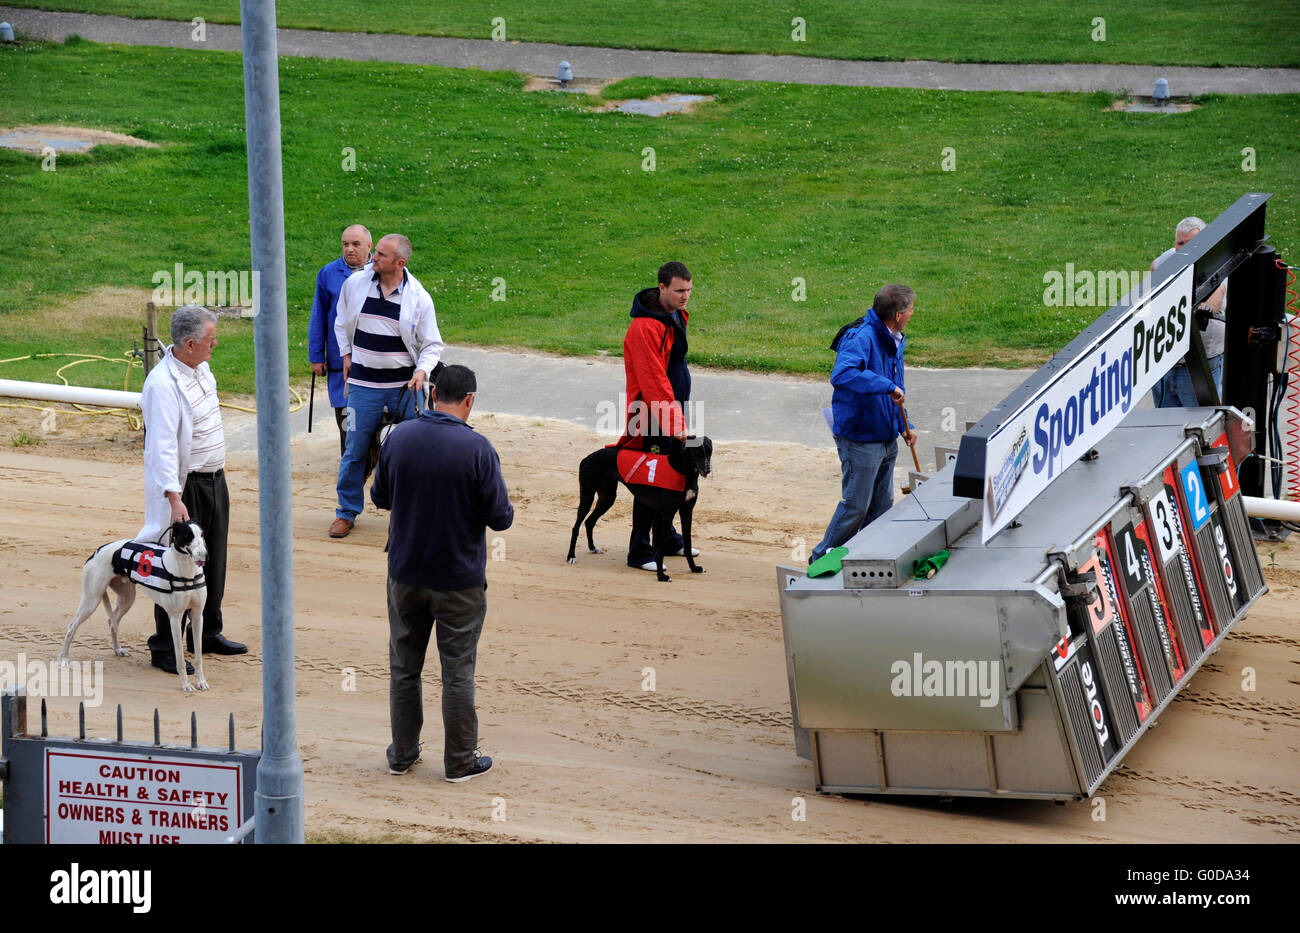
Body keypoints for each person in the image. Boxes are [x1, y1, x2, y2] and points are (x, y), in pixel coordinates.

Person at [370, 365, 514, 783]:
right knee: (457, 672)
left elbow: (380, 497)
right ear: (470, 400)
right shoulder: (478, 449)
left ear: (433, 394)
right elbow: (501, 518)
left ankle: (402, 754)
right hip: (458, 580)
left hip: (405, 573)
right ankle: (460, 761)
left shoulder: (398, 438)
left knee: (404, 667)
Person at [139, 305, 246, 674]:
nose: (215, 345)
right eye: (210, 340)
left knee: (213, 558)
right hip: (188, 488)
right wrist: (174, 497)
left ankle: (208, 631)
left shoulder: (201, 368)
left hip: (216, 479)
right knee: (178, 565)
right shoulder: (163, 385)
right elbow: (162, 446)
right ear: (189, 343)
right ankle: (165, 647)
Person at [330, 233, 443, 539]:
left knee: (414, 452)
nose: (372, 257)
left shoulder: (419, 297)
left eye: (380, 254)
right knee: (354, 449)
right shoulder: (355, 284)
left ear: (400, 262)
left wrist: (422, 371)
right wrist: (346, 353)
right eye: (375, 251)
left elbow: (433, 344)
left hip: (405, 387)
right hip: (363, 385)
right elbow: (341, 320)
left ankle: (413, 513)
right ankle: (346, 512)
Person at [809, 284, 919, 564]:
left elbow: (897, 387)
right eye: (909, 310)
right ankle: (820, 560)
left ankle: (864, 560)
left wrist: (904, 425)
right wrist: (885, 385)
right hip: (860, 438)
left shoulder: (894, 337)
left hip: (885, 435)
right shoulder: (860, 337)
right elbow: (842, 375)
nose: (912, 314)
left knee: (882, 506)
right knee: (856, 506)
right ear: (897, 314)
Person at [620, 260, 699, 571]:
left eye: (689, 290)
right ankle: (639, 552)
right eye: (679, 290)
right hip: (652, 414)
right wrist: (677, 424)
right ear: (662, 287)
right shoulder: (643, 328)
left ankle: (664, 539)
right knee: (651, 479)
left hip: (672, 409)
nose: (685, 296)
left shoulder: (673, 313)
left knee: (672, 476)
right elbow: (653, 381)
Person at [1151, 216, 1228, 407]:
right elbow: (1154, 269)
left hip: (1200, 364)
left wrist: (1204, 308)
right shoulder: (1169, 258)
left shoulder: (1217, 261)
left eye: (1191, 243)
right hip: (1166, 361)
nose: (1185, 248)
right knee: (1165, 425)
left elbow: (1218, 293)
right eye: (1180, 243)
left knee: (1199, 425)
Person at [308, 224, 372, 454]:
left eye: (356, 244)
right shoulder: (328, 274)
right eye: (346, 244)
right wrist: (316, 356)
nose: (350, 249)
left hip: (375, 357)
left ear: (369, 246)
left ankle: (375, 454)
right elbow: (318, 316)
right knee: (346, 410)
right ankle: (351, 456)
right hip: (339, 360)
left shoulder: (382, 270)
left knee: (374, 409)